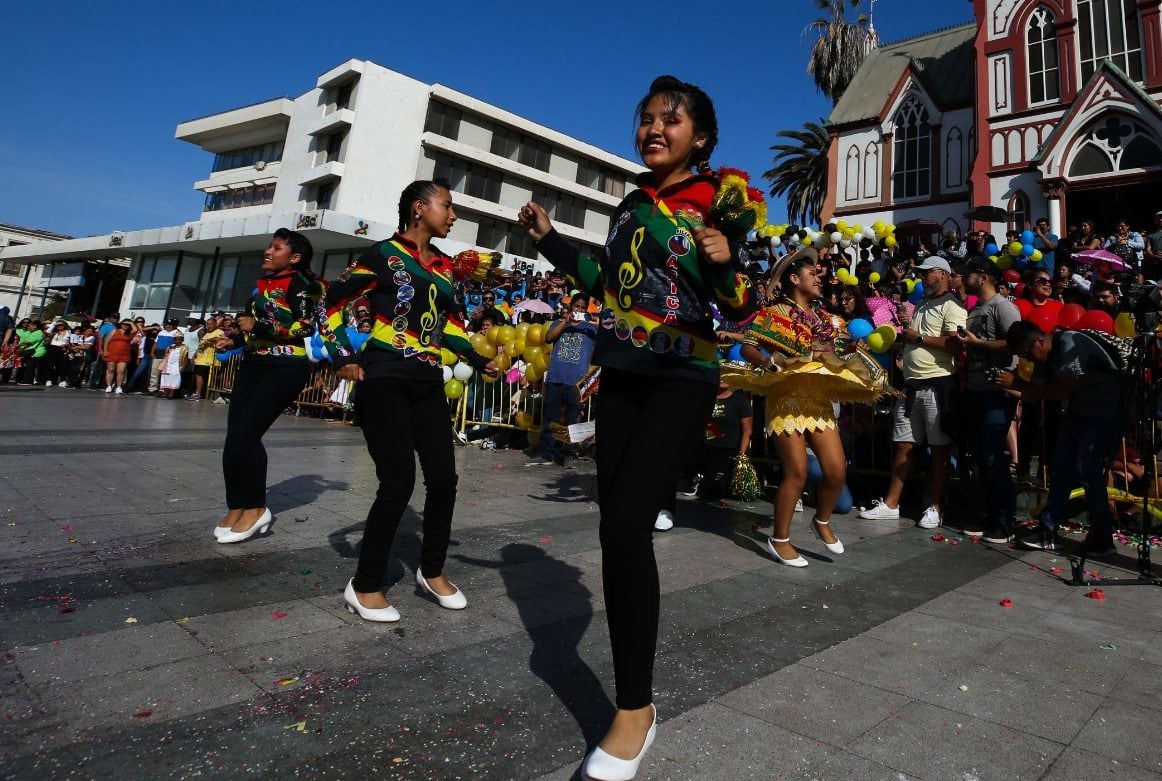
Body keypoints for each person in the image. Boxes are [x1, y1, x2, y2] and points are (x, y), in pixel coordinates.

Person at [518, 74, 756, 780]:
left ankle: (634, 708)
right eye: (646, 118)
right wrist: (551, 240)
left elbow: (742, 302)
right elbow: (602, 280)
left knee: (625, 525)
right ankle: (635, 696)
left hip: (684, 377)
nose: (653, 128)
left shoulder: (722, 198)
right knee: (613, 529)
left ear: (701, 137)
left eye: (670, 119)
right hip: (623, 372)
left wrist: (725, 262)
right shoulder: (629, 206)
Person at [322, 180, 499, 624]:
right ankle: (364, 585)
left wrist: (479, 358)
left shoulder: (442, 269)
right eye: (448, 206)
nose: (453, 216)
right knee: (398, 482)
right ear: (420, 209)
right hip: (383, 378)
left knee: (444, 478)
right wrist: (344, 355)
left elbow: (450, 328)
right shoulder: (381, 255)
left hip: (426, 381)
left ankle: (432, 570)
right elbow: (331, 304)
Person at [735, 248, 885, 565]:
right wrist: (767, 360)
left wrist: (851, 347)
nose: (819, 278)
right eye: (812, 273)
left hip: (817, 399)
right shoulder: (773, 314)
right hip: (786, 397)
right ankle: (780, 539)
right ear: (794, 278)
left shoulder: (826, 318)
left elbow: (836, 351)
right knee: (797, 471)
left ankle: (822, 520)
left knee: (835, 469)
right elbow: (747, 346)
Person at [214, 228, 326, 544]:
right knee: (233, 438)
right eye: (269, 246)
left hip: (286, 366)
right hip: (254, 364)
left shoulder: (304, 285)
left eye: (276, 248)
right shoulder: (262, 286)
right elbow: (247, 326)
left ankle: (256, 507)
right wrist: (232, 338)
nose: (268, 251)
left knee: (248, 435)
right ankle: (236, 506)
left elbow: (306, 330)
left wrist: (259, 325)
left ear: (295, 257)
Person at [994, 321, 1128, 556]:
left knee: (1088, 470)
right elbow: (1035, 394)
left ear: (1039, 341)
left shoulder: (1070, 343)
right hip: (1080, 412)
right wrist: (1007, 386)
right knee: (1061, 468)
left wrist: (1016, 383)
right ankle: (1048, 529)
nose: (1028, 360)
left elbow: (1060, 391)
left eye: (1026, 353)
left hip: (1106, 413)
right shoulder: (1044, 357)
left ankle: (1103, 537)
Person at [859, 257, 966, 528]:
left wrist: (917, 338)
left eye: (926, 273)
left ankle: (935, 506)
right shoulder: (921, 304)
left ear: (942, 274)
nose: (921, 278)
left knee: (939, 449)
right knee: (904, 445)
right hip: (912, 383)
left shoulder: (953, 305)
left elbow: (955, 346)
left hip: (937, 383)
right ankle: (891, 504)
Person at [958, 259, 1021, 542]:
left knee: (995, 457)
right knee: (982, 457)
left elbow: (1016, 343)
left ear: (982, 277)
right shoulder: (975, 308)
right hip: (974, 388)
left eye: (967, 273)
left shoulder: (1003, 306)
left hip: (996, 390)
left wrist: (978, 344)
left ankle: (1004, 521)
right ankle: (989, 514)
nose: (962, 278)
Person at [529, 293, 598, 467]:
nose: (579, 311)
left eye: (583, 308)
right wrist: (566, 321)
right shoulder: (559, 323)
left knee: (572, 421)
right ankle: (547, 453)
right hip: (556, 377)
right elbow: (548, 338)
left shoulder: (591, 329)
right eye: (577, 307)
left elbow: (605, 343)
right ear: (570, 308)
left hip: (576, 382)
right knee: (550, 418)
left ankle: (568, 454)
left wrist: (598, 325)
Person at [189, 316, 223, 400]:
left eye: (211, 324)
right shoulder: (206, 333)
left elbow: (218, 339)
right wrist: (194, 355)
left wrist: (208, 341)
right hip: (200, 359)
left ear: (215, 324)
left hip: (208, 360)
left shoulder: (219, 331)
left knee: (200, 376)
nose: (209, 326)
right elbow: (200, 345)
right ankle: (198, 392)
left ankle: (198, 393)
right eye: (207, 324)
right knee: (197, 376)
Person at [100, 320, 133, 393]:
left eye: (128, 324)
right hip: (112, 352)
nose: (126, 325)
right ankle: (109, 386)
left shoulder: (130, 333)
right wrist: (105, 351)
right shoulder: (114, 331)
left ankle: (118, 387)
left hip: (124, 354)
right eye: (124, 324)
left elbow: (136, 330)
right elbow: (107, 341)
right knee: (111, 370)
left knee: (121, 371)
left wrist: (131, 322)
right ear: (121, 324)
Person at [159, 333, 189, 399]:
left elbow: (186, 359)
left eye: (179, 339)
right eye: (176, 339)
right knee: (166, 378)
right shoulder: (171, 346)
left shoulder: (185, 348)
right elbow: (166, 355)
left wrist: (183, 367)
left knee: (174, 379)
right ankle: (165, 392)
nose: (178, 341)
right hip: (168, 365)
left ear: (182, 340)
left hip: (176, 366)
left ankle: (171, 394)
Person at [44, 321, 72, 387]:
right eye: (58, 325)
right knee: (50, 364)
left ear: (64, 325)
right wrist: (54, 324)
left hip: (63, 349)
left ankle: (62, 380)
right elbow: (47, 332)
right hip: (53, 348)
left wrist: (66, 345)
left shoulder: (69, 332)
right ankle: (49, 379)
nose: (59, 326)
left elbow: (71, 341)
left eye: (61, 325)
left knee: (62, 365)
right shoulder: (54, 332)